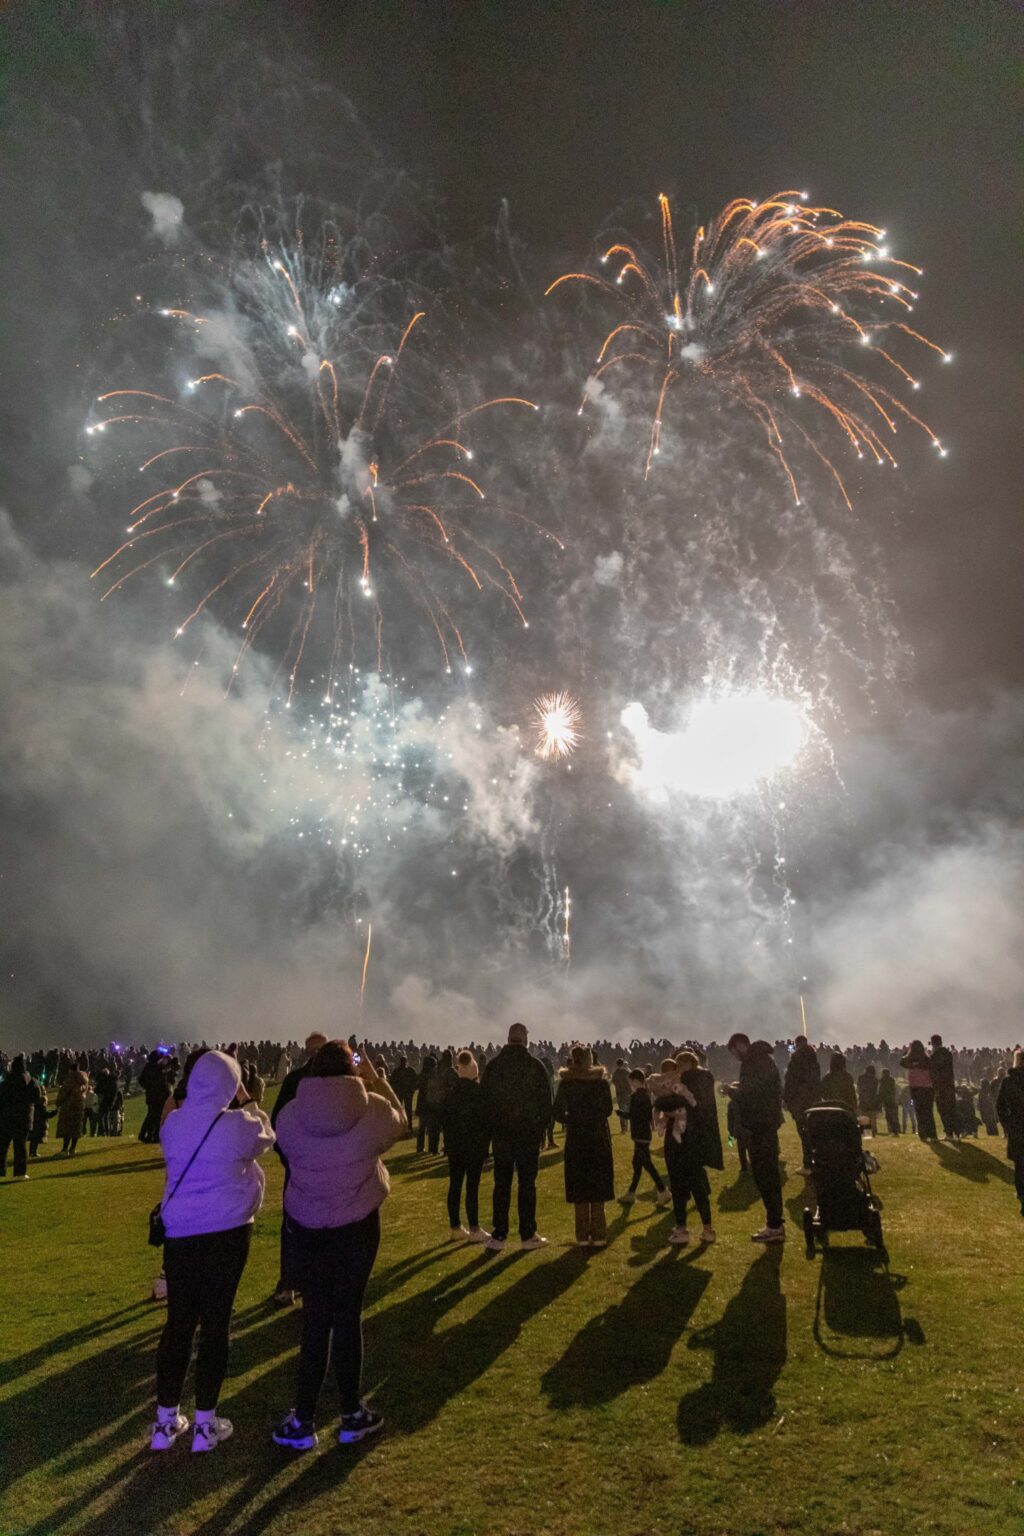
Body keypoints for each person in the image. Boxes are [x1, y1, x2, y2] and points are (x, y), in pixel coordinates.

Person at [271, 1040, 406, 1451]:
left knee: (315, 1320)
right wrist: (378, 1081)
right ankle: (350, 1413)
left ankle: (303, 1417)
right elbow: (400, 1122)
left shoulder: (292, 1114)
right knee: (347, 1317)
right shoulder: (370, 1109)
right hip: (357, 1224)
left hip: (309, 1223)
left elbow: (284, 1146)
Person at [151, 1050, 274, 1452]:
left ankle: (165, 1421)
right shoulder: (237, 1124)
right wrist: (248, 1099)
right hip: (226, 1231)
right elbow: (267, 1136)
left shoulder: (174, 1125)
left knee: (178, 1325)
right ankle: (205, 1424)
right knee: (216, 1324)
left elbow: (174, 1118)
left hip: (181, 1233)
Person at [481, 1022, 552, 1252]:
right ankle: (527, 1233)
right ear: (525, 1039)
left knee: (501, 1185)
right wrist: (540, 1130)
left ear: (509, 1038)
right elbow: (546, 1104)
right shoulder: (535, 1066)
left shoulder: (494, 1066)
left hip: (502, 1136)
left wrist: (490, 1132)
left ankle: (499, 1234)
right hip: (528, 1136)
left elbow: (485, 1103)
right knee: (527, 1184)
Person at [269, 1032, 328, 1306]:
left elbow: (277, 1122)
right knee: (319, 1223)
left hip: (299, 1164)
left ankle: (290, 1282)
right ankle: (309, 1281)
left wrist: (287, 1157)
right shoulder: (331, 1082)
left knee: (293, 1223)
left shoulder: (296, 1080)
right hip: (322, 1166)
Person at [654, 1050, 723, 1246]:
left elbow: (663, 1101)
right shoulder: (706, 1080)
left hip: (679, 1141)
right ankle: (708, 1228)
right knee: (699, 1185)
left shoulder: (684, 1082)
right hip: (698, 1141)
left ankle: (681, 1229)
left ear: (684, 1064)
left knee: (678, 1185)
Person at [552, 1045, 615, 1247]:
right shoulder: (600, 1083)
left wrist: (572, 1119)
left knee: (579, 1183)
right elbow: (607, 1110)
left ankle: (581, 1234)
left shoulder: (567, 1083)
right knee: (598, 1183)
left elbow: (558, 1112)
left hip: (576, 1137)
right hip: (597, 1136)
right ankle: (599, 1233)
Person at [725, 1034, 785, 1242]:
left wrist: (732, 1091)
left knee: (765, 1174)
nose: (736, 1057)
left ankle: (775, 1225)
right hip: (765, 1122)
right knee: (767, 1174)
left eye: (734, 1052)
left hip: (761, 1124)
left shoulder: (755, 1062)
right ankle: (775, 1223)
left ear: (740, 1045)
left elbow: (752, 1092)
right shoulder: (764, 1060)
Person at [440, 1050, 491, 1241]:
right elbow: (485, 1121)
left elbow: (444, 1121)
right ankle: (475, 1228)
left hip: (455, 1146)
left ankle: (456, 1226)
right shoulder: (478, 1093)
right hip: (474, 1146)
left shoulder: (451, 1094)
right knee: (472, 1186)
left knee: (455, 1185)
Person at [621, 1069, 670, 1206]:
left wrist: (623, 1114)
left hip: (639, 1134)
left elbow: (634, 1115)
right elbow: (646, 1115)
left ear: (635, 1081)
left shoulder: (636, 1096)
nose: (630, 1084)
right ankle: (631, 1193)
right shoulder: (647, 1095)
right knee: (637, 1164)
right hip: (644, 1133)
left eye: (630, 1081)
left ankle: (662, 1190)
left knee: (646, 1164)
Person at [0, 1055, 42, 1180]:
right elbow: (36, 1098)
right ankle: (20, 1173)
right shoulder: (31, 1081)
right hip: (24, 1118)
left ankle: (1, 1170)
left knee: (2, 1146)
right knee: (20, 1147)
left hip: (6, 1117)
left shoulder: (6, 1082)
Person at [783, 1037, 821, 1173]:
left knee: (804, 1133)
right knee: (813, 1132)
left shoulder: (795, 1061)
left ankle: (808, 1163)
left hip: (799, 1102)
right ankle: (817, 1161)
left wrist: (786, 1098)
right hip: (813, 1100)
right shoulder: (814, 1061)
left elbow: (790, 1083)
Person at [996, 1050, 1024, 1217]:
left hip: (1017, 1127)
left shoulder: (1009, 1081)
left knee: (1020, 1165)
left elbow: (1000, 1106)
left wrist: (1007, 1124)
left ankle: (1022, 1196)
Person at [901, 1040, 937, 1140]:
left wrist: (908, 1051)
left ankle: (923, 1134)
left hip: (915, 1088)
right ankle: (932, 1134)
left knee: (919, 1111)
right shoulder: (927, 1059)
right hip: (928, 1088)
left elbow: (902, 1062)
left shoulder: (909, 1060)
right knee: (928, 1112)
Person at [928, 1034, 959, 1141]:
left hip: (940, 1087)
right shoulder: (947, 1053)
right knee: (951, 1109)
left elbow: (934, 1073)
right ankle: (956, 1133)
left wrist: (935, 1087)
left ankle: (949, 1133)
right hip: (949, 1085)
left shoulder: (935, 1055)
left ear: (932, 1043)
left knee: (943, 1110)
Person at [55, 1066, 89, 1157]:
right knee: (76, 1129)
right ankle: (72, 1148)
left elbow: (64, 1092)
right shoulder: (84, 1080)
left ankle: (65, 1149)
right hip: (80, 1106)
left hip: (69, 1106)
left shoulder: (70, 1080)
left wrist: (58, 1102)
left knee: (67, 1128)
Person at [415, 1055, 446, 1155]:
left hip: (422, 1104)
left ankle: (420, 1147)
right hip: (430, 1105)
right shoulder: (433, 1076)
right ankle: (431, 1148)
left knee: (422, 1128)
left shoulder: (422, 1076)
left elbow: (416, 1086)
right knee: (432, 1128)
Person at [139, 1051, 169, 1144]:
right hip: (158, 1096)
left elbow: (141, 1080)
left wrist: (148, 1087)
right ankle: (152, 1135)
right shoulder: (158, 1069)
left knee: (151, 1115)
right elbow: (163, 1083)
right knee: (155, 1116)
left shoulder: (148, 1067)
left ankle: (147, 1135)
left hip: (151, 1095)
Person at [389, 1055, 418, 1129]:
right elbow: (415, 1081)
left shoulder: (398, 1071)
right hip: (403, 1092)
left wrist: (412, 1089)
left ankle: (404, 1125)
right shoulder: (410, 1070)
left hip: (403, 1092)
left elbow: (392, 1082)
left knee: (403, 1109)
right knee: (405, 1109)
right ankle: (407, 1125)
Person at [856, 1063, 880, 1134]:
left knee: (864, 1116)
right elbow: (876, 1091)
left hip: (864, 1100)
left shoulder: (861, 1078)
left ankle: (864, 1130)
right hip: (871, 1100)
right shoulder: (875, 1079)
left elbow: (859, 1089)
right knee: (872, 1117)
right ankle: (873, 1130)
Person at [611, 1059, 632, 1134]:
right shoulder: (627, 1072)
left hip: (619, 1093)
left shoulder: (615, 1073)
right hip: (628, 1093)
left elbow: (613, 1081)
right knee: (631, 1110)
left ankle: (624, 1128)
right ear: (623, 1064)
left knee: (622, 1110)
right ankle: (631, 1127)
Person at [877, 1067, 900, 1135]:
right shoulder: (892, 1080)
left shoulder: (883, 1080)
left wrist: (880, 1099)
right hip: (892, 1100)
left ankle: (894, 1130)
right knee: (893, 1116)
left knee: (889, 1116)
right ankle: (896, 1130)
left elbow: (881, 1091)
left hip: (887, 1100)